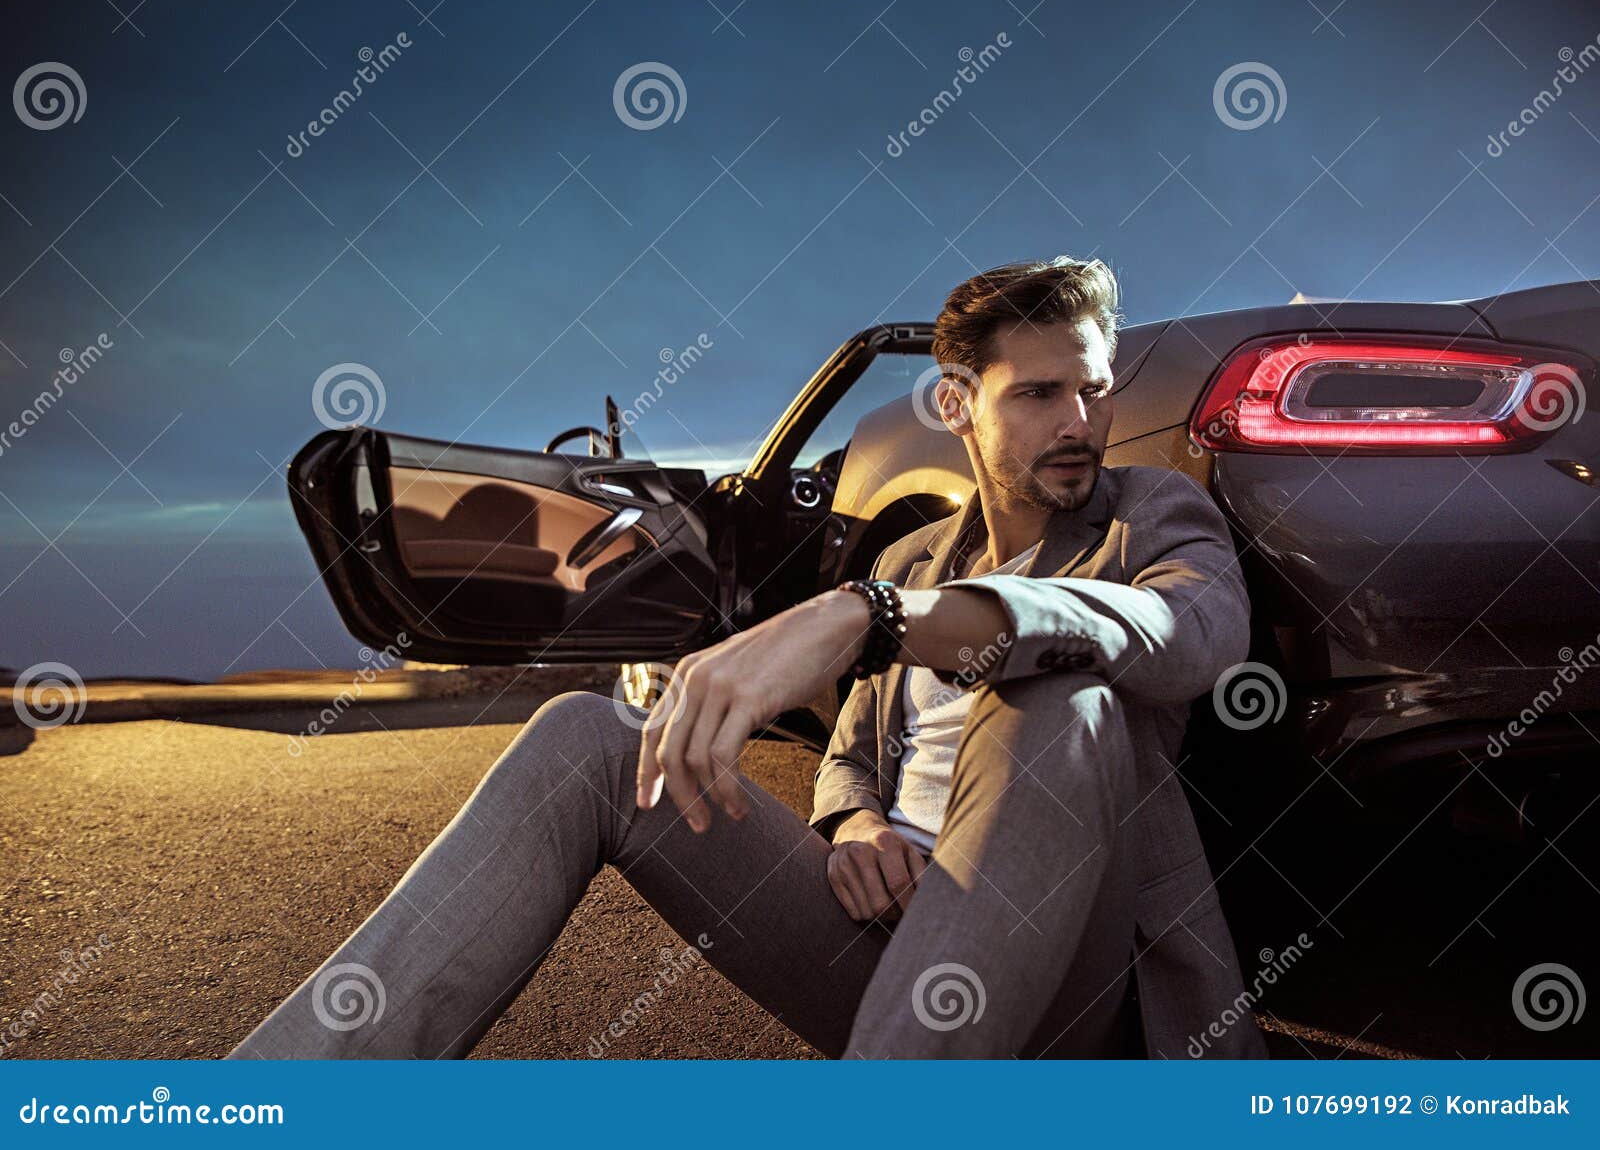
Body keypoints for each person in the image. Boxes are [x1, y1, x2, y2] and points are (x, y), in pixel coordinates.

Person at [230, 256, 1267, 1060]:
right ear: (956, 406)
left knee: (1053, 698)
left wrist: (874, 616)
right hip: (881, 950)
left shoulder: (1151, 517)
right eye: (1038, 395)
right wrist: (856, 821)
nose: (1080, 422)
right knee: (587, 737)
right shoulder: (912, 552)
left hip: (1059, 985)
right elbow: (852, 756)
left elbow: (1186, 637)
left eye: (1091, 391)